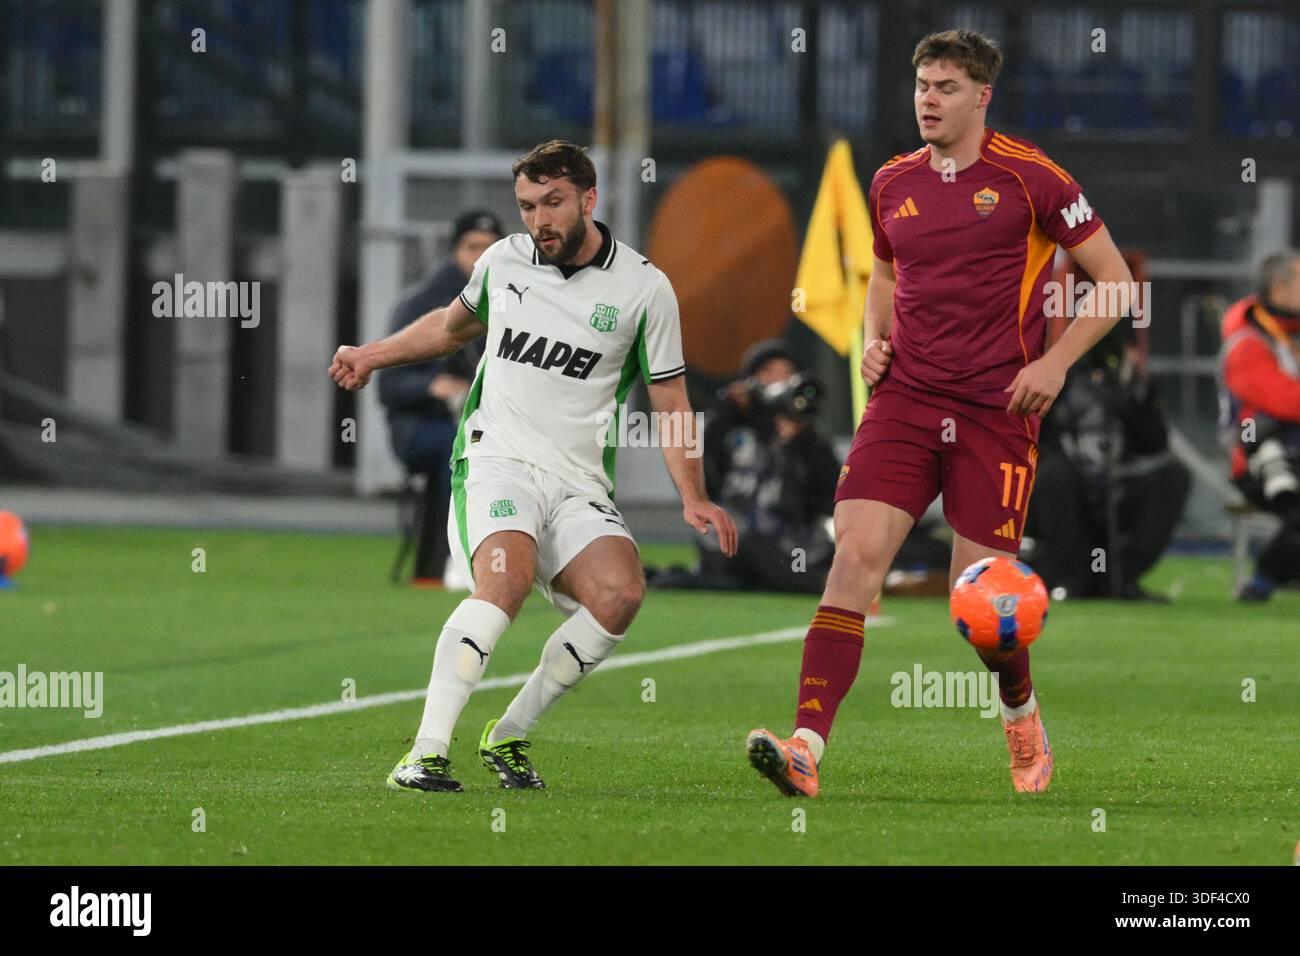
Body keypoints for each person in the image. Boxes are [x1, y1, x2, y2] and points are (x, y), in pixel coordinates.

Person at [745, 29, 1135, 797]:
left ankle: (1021, 715)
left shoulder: (1034, 180)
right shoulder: (892, 180)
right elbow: (885, 272)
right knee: (853, 558)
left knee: (983, 600)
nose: (928, 99)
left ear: (982, 96)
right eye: (923, 85)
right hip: (906, 399)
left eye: (946, 87)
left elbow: (1116, 283)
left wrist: (1054, 362)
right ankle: (805, 748)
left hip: (998, 409)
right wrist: (871, 343)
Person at [330, 139, 737, 792]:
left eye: (553, 203)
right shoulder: (503, 262)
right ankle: (425, 753)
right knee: (505, 582)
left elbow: (670, 397)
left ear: (588, 199)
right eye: (527, 206)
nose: (539, 220)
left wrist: (692, 493)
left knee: (621, 595)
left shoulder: (643, 288)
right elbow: (450, 327)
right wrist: (372, 355)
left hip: (578, 481)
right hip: (498, 460)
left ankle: (510, 733)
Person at [648, 339, 841, 593]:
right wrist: (728, 413)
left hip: (789, 541)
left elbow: (830, 498)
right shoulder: (730, 426)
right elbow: (701, 480)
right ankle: (819, 582)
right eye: (770, 373)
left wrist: (800, 444)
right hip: (735, 537)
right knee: (752, 544)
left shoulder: (807, 436)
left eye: (787, 374)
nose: (779, 382)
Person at [379, 210, 503, 585]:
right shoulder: (421, 303)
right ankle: (442, 565)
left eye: (489, 248)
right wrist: (430, 387)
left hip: (483, 423)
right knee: (459, 448)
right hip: (419, 425)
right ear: (455, 251)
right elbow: (389, 387)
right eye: (472, 247)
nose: (480, 256)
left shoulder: (508, 302)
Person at [1024, 325, 1189, 600]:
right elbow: (1037, 440)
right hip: (1066, 493)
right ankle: (1069, 578)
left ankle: (1120, 577)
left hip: (1117, 488)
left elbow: (1156, 443)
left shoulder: (1136, 387)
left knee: (1173, 477)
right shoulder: (1061, 381)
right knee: (1054, 475)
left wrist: (1130, 406)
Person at [1220, 249, 1300, 601]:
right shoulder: (1247, 344)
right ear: (1280, 289)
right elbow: (1287, 402)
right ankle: (1263, 580)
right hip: (1255, 464)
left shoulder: (1289, 333)